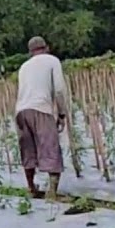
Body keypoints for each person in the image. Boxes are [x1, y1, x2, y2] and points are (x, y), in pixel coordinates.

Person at [15, 36, 70, 200]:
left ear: (30, 52)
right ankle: (52, 193)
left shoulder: (24, 67)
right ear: (46, 47)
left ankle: (31, 188)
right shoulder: (52, 61)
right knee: (50, 146)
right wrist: (61, 114)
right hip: (41, 109)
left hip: (21, 111)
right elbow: (59, 90)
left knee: (28, 149)